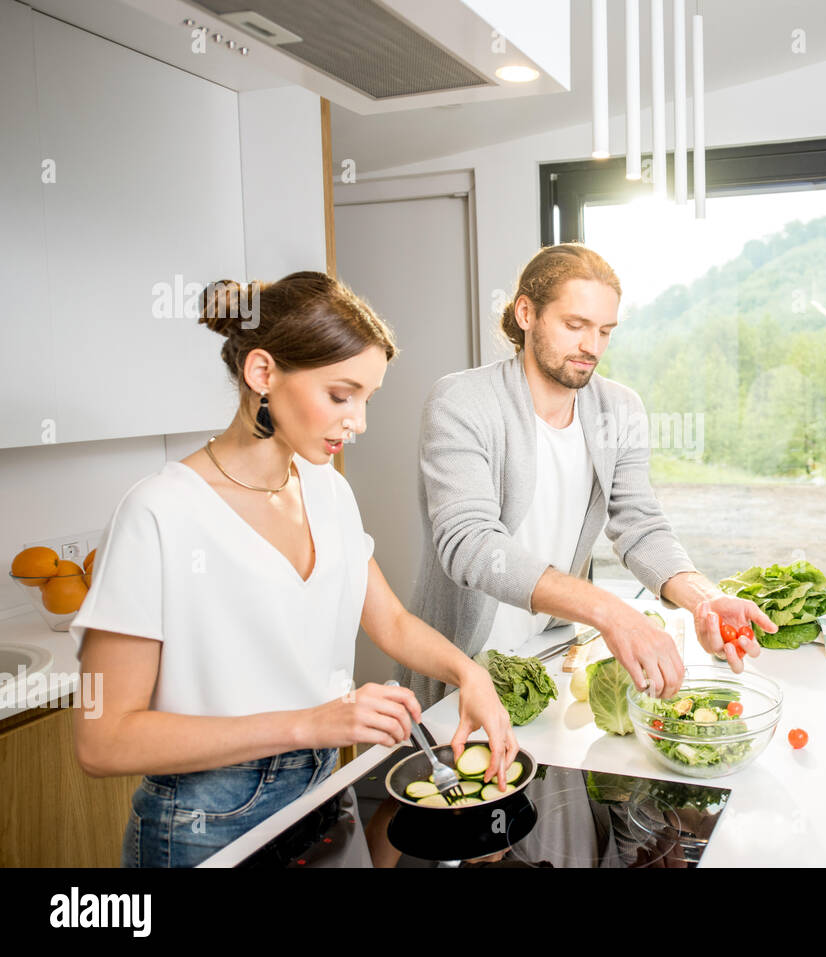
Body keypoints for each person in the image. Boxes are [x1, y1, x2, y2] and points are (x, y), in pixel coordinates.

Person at [69, 272, 517, 868]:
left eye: (367, 399)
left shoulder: (326, 488)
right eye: (340, 395)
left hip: (323, 790)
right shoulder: (160, 510)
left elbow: (392, 623)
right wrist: (311, 723)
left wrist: (470, 675)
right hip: (208, 822)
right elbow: (104, 740)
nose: (357, 422)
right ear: (262, 374)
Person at [394, 243, 777, 711]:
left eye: (604, 331)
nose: (590, 347)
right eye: (574, 325)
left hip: (546, 657)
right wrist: (609, 612)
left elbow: (640, 525)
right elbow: (470, 544)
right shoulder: (461, 400)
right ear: (526, 313)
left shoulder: (619, 408)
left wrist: (704, 599)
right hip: (461, 665)